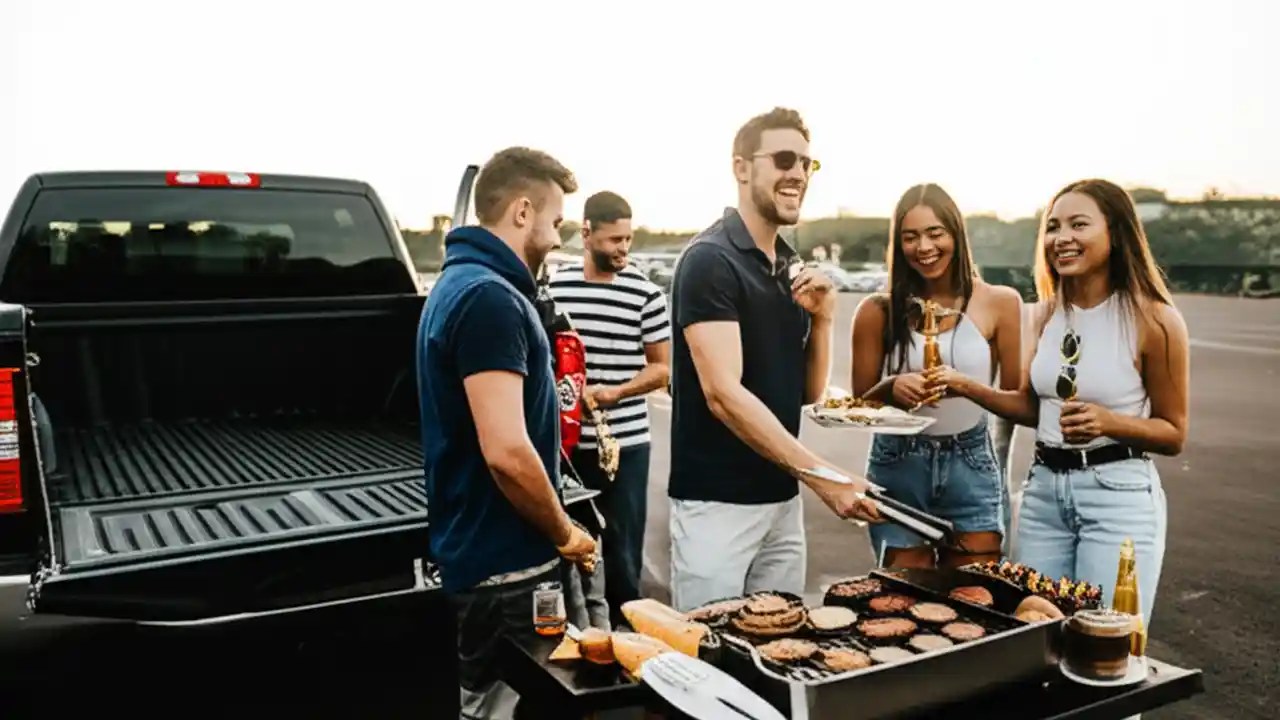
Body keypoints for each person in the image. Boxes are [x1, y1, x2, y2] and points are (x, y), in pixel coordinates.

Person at [928, 178, 1189, 627]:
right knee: (1034, 632)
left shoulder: (1155, 320)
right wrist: (966, 386)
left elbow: (1173, 432)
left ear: (1116, 232)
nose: (1061, 238)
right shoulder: (1044, 314)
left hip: (1118, 496)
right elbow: (1031, 408)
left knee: (1106, 640)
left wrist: (1110, 422)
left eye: (1078, 224)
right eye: (1052, 227)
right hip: (1044, 495)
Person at [667, 106, 881, 613]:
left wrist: (825, 319)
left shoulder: (787, 264)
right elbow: (724, 394)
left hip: (782, 505)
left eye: (809, 164)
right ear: (742, 167)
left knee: (781, 646)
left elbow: (804, 393)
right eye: (785, 159)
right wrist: (825, 476)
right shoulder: (709, 261)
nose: (799, 175)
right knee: (709, 658)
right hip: (717, 508)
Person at [416, 146, 598, 719]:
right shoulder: (488, 299)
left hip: (488, 562)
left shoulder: (462, 284)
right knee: (510, 710)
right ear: (522, 211)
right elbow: (507, 453)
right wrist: (565, 532)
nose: (560, 235)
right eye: (557, 220)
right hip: (507, 572)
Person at [850, 183, 1023, 569]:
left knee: (975, 599)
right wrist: (891, 388)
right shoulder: (876, 311)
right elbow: (859, 403)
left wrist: (966, 386)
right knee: (904, 603)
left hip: (971, 462)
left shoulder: (1000, 302)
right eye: (910, 237)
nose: (924, 247)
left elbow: (1021, 404)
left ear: (956, 234)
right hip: (898, 464)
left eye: (935, 233)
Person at [547, 191, 671, 627]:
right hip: (564, 447)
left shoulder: (647, 294)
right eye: (614, 239)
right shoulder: (555, 287)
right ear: (586, 233)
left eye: (628, 240)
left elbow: (662, 371)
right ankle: (577, 635)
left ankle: (624, 638)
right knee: (568, 547)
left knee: (621, 550)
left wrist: (611, 392)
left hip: (627, 447)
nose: (622, 249)